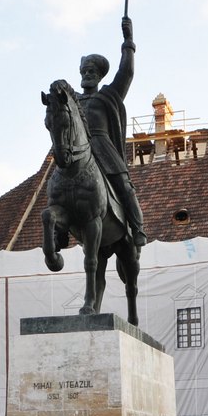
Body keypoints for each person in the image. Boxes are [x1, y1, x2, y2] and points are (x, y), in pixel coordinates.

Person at [78, 14, 146, 247]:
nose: (87, 75)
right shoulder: (73, 100)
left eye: (91, 72)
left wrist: (129, 42)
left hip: (103, 147)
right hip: (78, 148)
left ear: (99, 76)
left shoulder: (108, 94)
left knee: (125, 187)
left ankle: (138, 227)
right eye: (84, 72)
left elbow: (126, 73)